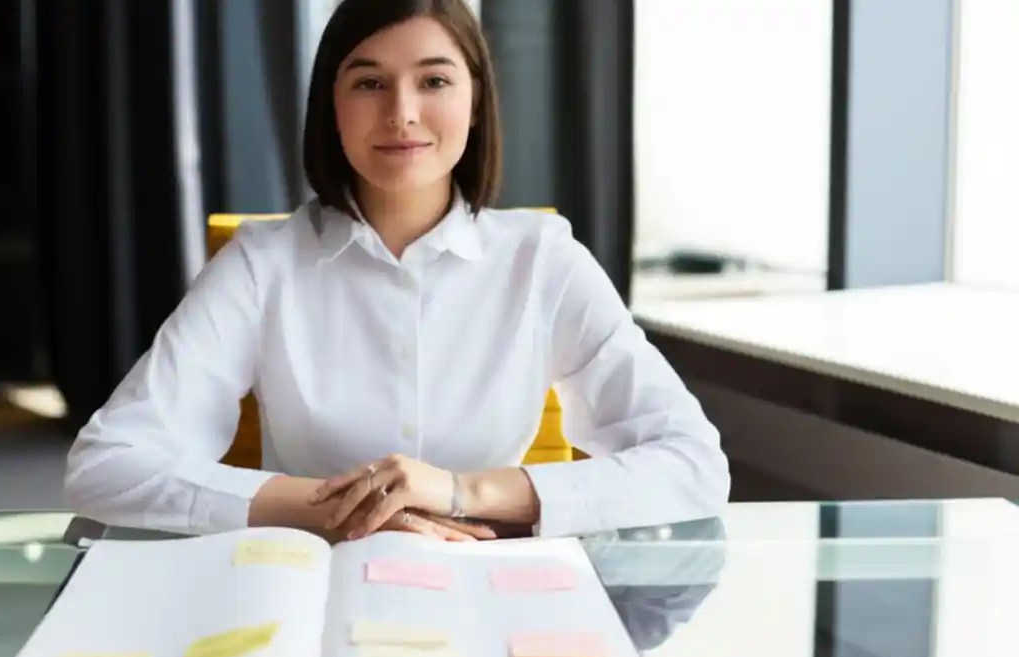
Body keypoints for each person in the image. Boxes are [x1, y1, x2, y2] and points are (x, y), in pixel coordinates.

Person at [64, 0, 729, 543]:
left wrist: (460, 491)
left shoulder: (542, 258)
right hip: (307, 592)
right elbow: (106, 465)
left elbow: (693, 463)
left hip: (488, 584)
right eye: (369, 82)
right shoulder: (262, 263)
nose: (402, 112)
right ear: (332, 103)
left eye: (434, 80)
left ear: (476, 100)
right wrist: (346, 508)